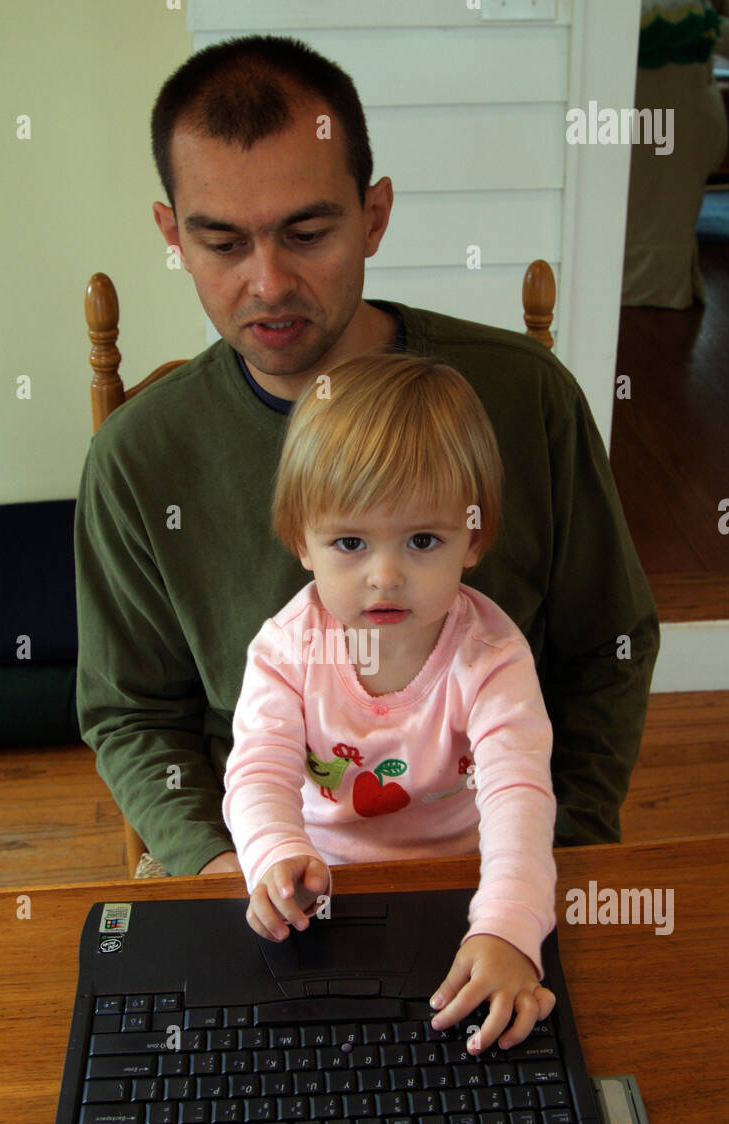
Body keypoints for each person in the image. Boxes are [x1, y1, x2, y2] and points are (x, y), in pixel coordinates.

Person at [74, 34, 659, 882]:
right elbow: (131, 713)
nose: (267, 283)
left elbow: (607, 644)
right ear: (172, 234)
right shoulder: (137, 458)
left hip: (500, 854)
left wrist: (558, 853)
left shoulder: (526, 398)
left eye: (307, 233)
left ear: (374, 215)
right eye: (222, 244)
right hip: (245, 865)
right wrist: (220, 867)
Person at [222, 354, 558, 1048]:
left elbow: (519, 796)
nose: (385, 576)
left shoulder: (492, 658)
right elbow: (257, 771)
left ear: (475, 539)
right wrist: (274, 854)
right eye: (350, 542)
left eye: (422, 540)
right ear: (301, 542)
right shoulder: (286, 650)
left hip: (462, 886)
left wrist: (508, 926)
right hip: (324, 892)